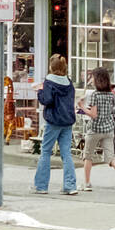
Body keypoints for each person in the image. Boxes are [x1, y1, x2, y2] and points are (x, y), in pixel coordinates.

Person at [81, 67, 115, 194]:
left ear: (97, 79)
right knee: (110, 157)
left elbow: (93, 115)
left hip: (95, 130)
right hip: (108, 130)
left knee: (88, 156)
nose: (91, 79)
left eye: (92, 77)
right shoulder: (110, 95)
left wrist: (81, 107)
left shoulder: (95, 95)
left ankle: (87, 183)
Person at [32, 54, 78, 195]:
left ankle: (41, 186)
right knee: (66, 153)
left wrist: (40, 90)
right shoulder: (69, 82)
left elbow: (46, 100)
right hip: (67, 121)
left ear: (51, 67)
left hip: (53, 121)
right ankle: (70, 186)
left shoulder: (49, 82)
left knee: (46, 151)